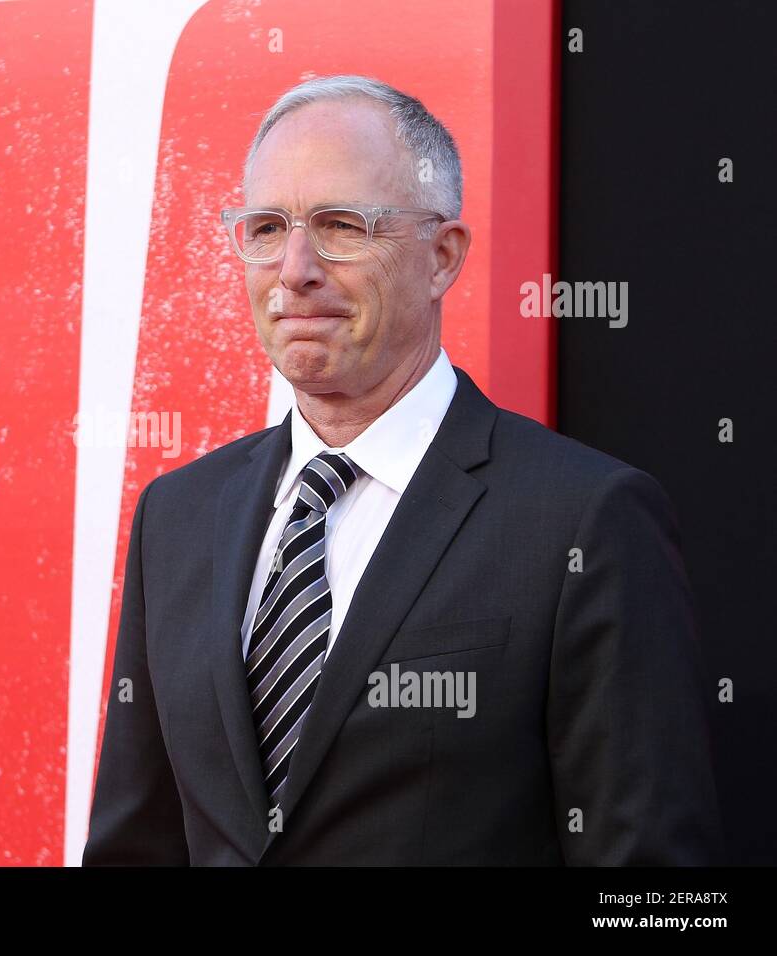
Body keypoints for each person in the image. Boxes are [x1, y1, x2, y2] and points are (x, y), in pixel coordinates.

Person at [82, 75, 723, 865]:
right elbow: (135, 844)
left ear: (442, 257)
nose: (294, 270)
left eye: (342, 225)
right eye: (265, 227)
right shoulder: (178, 515)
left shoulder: (585, 519)